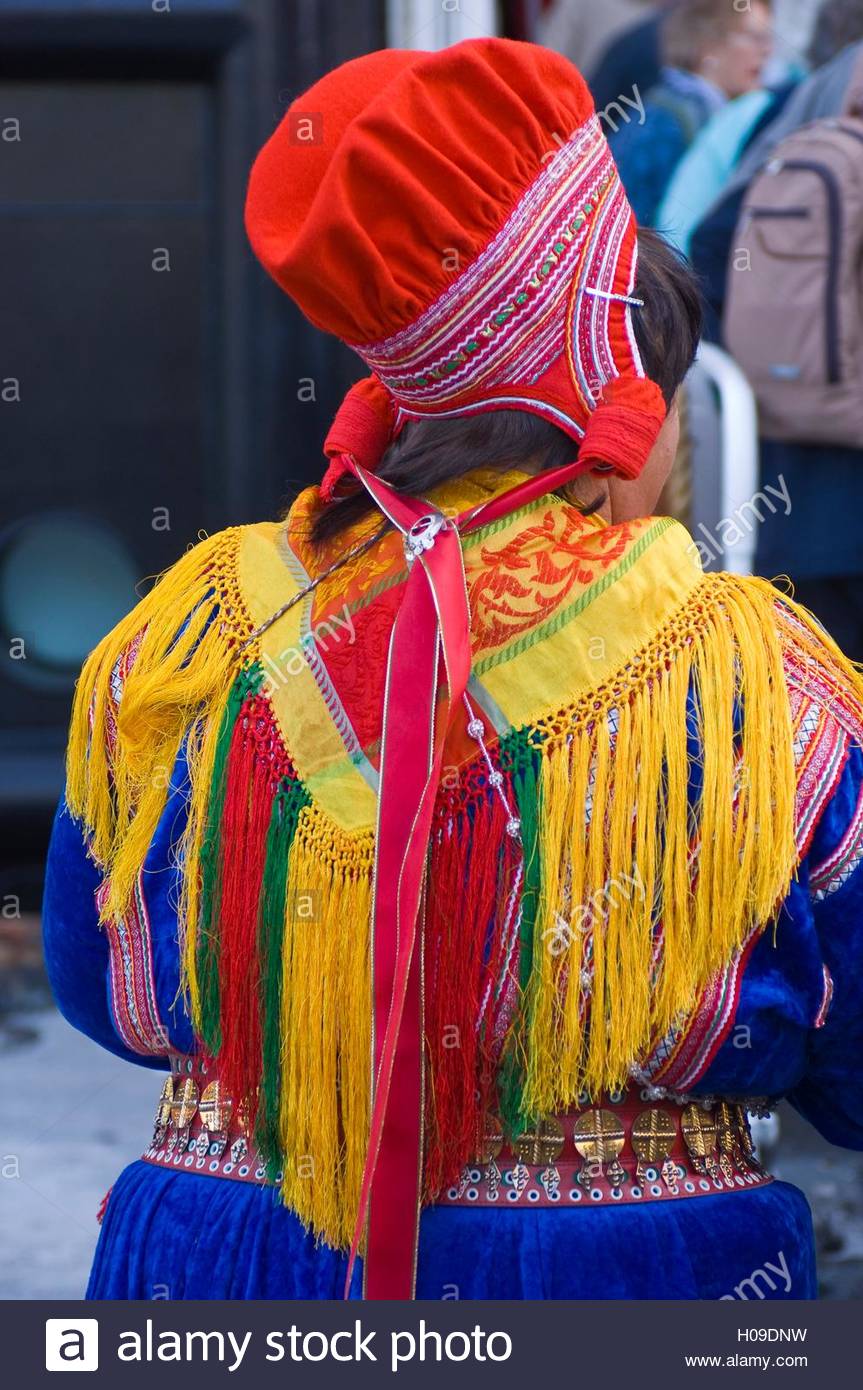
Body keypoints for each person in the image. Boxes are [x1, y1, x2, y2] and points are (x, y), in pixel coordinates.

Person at [43, 37, 863, 1301]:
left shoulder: (190, 634)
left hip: (210, 1268)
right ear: (612, 399)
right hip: (624, 1283)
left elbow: (97, 988)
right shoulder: (755, 684)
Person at [611, 0, 774, 225]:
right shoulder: (668, 118)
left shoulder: (703, 112)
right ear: (709, 46)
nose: (766, 50)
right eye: (752, 37)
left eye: (767, 38)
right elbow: (629, 216)